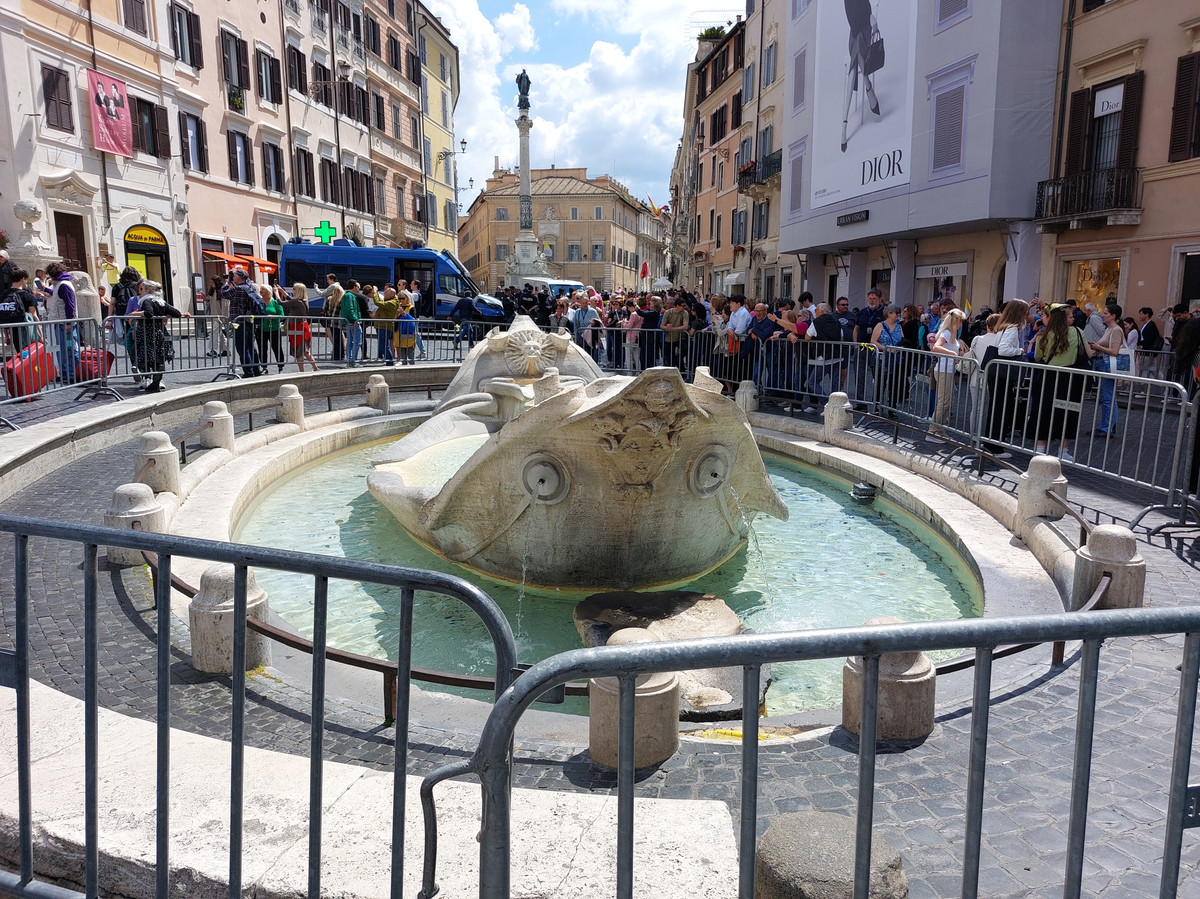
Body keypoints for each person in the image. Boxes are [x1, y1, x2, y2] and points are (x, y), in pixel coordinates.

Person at [1029, 304, 1091, 463]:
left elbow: (1037, 357)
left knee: (1044, 411)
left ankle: (1040, 450)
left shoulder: (1043, 334)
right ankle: (1063, 451)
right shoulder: (1078, 332)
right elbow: (1088, 353)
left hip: (1049, 377)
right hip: (1070, 378)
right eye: (1070, 316)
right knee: (1068, 411)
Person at [981, 299, 1031, 460]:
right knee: (1002, 407)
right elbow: (1004, 350)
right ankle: (995, 445)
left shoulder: (1003, 327)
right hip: (1002, 374)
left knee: (996, 407)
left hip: (996, 373)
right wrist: (1019, 350)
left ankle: (990, 442)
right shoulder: (1012, 329)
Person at [127, 280, 188, 391]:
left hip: (147, 333)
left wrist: (136, 313)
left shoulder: (147, 301)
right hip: (158, 333)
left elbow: (149, 313)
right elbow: (177, 313)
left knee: (142, 355)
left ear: (148, 290)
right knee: (158, 358)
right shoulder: (161, 302)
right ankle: (155, 382)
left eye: (142, 289)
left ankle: (153, 383)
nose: (139, 292)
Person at [840, 0, 882, 153]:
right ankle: (868, 85)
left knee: (853, 67)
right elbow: (853, 20)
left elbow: (867, 11)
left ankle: (843, 125)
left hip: (865, 32)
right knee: (856, 56)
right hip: (854, 35)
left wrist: (872, 18)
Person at [925, 309, 967, 443]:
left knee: (945, 403)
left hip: (947, 370)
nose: (962, 324)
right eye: (961, 321)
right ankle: (932, 432)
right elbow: (936, 347)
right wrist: (953, 354)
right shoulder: (947, 333)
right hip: (944, 370)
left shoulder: (950, 333)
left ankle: (939, 431)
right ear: (957, 321)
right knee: (943, 403)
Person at [1088, 303, 1125, 437]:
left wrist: (1098, 347)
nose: (1103, 315)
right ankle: (1105, 425)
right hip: (1103, 364)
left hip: (1108, 365)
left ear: (1113, 316)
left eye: (1105, 313)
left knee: (1108, 397)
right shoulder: (1109, 329)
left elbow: (1114, 351)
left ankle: (1107, 427)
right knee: (1106, 397)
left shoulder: (1115, 330)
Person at [227, 268, 264, 377]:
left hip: (239, 322)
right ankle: (256, 369)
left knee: (242, 348)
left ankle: (249, 372)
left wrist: (227, 283)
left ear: (238, 278)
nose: (233, 278)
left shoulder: (239, 289)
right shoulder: (250, 287)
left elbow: (223, 294)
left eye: (234, 276)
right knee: (250, 346)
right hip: (249, 321)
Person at [870, 304, 905, 416]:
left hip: (895, 359)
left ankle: (892, 408)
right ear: (889, 314)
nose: (898, 315)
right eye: (896, 313)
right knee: (880, 383)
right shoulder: (880, 325)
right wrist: (886, 348)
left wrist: (900, 347)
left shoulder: (899, 327)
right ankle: (876, 406)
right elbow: (873, 341)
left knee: (894, 384)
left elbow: (902, 339)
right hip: (881, 358)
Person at [45, 263, 77, 383]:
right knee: (62, 348)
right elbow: (58, 295)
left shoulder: (63, 285)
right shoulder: (61, 284)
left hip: (65, 323)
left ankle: (71, 373)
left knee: (68, 348)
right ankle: (65, 372)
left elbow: (70, 305)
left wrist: (69, 322)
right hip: (61, 321)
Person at [0, 266, 40, 351]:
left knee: (21, 355)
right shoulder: (27, 296)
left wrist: (7, 335)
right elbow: (35, 316)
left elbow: (4, 314)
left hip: (13, 331)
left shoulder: (4, 295)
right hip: (27, 331)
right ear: (23, 279)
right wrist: (41, 336)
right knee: (31, 357)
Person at [281, 283, 318, 372]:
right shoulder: (303, 301)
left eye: (294, 289)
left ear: (298, 291)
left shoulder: (297, 302)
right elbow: (290, 300)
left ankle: (302, 372)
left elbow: (281, 303)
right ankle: (315, 368)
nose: (292, 290)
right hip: (302, 327)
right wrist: (281, 291)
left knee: (300, 352)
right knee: (305, 351)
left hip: (298, 328)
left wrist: (276, 293)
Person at [257, 285, 286, 373]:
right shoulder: (258, 302)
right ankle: (264, 367)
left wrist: (273, 316)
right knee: (262, 348)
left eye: (263, 289)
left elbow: (282, 316)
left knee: (277, 348)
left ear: (269, 291)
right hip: (261, 329)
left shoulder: (275, 302)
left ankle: (280, 366)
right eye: (260, 289)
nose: (261, 291)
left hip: (274, 329)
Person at [319, 273, 343, 361]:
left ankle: (335, 355)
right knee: (339, 338)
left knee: (335, 338)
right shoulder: (342, 300)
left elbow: (325, 309)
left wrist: (316, 288)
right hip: (339, 321)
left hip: (331, 321)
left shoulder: (329, 299)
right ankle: (341, 355)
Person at [374, 286, 399, 365]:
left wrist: (375, 293)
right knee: (383, 345)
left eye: (386, 292)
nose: (384, 293)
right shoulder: (390, 300)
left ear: (391, 294)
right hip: (381, 326)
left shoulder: (392, 303)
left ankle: (390, 362)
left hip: (384, 326)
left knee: (385, 345)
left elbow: (378, 303)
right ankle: (386, 359)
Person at [340, 280, 363, 366]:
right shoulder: (350, 296)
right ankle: (353, 360)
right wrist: (355, 320)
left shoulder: (346, 295)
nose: (358, 288)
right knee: (356, 342)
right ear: (354, 286)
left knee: (350, 341)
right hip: (353, 322)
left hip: (348, 321)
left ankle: (350, 360)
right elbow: (350, 309)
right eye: (357, 286)